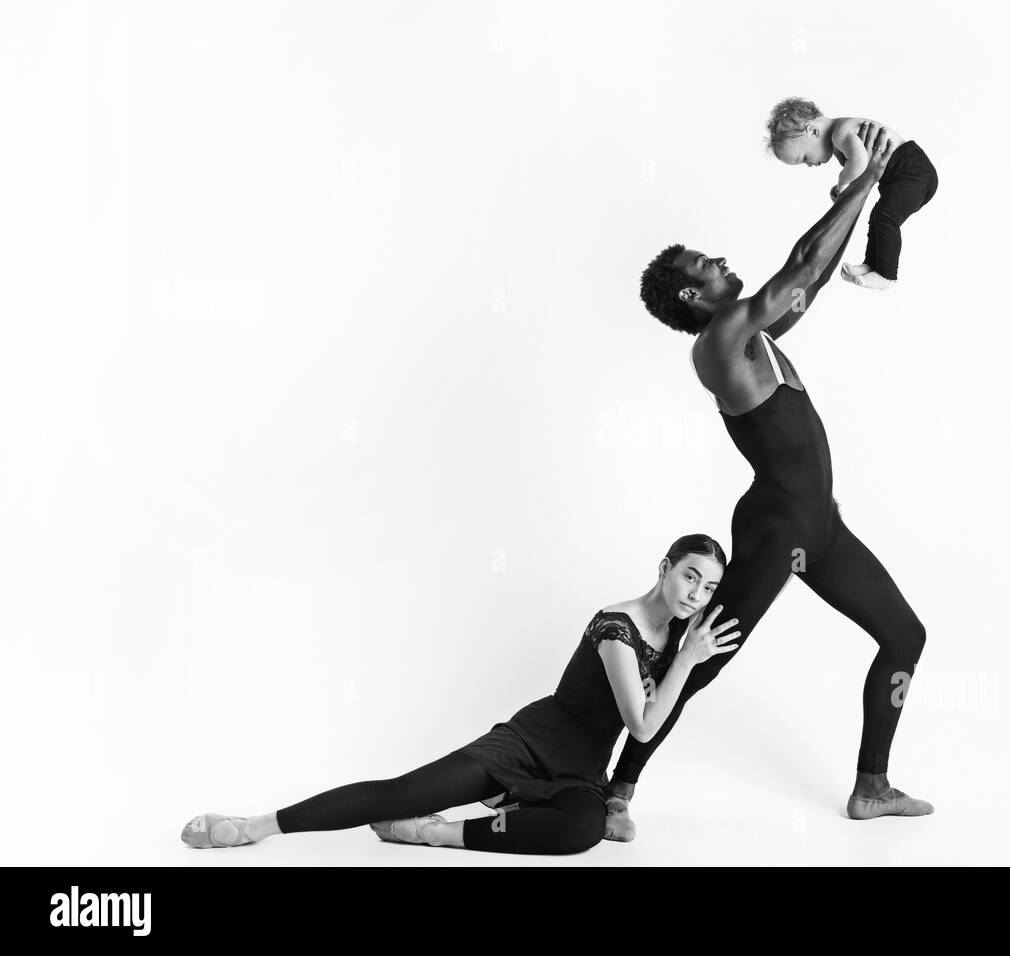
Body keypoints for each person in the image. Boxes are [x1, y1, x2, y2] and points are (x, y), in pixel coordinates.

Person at [604, 126, 932, 842]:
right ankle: (617, 790)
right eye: (709, 264)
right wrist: (866, 178)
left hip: (821, 527)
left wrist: (855, 194)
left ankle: (871, 787)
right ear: (694, 293)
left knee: (905, 634)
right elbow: (800, 260)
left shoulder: (759, 336)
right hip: (776, 530)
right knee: (706, 662)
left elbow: (810, 275)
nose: (723, 262)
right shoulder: (718, 345)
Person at [180, 535, 739, 855]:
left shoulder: (676, 636)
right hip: (526, 745)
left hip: (581, 773)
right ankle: (253, 826)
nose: (697, 593)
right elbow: (642, 725)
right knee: (399, 792)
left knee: (580, 831)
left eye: (709, 586)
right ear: (665, 567)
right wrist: (687, 663)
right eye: (690, 576)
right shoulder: (618, 628)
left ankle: (438, 833)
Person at [765, 97, 939, 291]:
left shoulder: (840, 133)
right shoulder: (841, 132)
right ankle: (872, 264)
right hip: (905, 174)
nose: (810, 165)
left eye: (804, 158)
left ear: (813, 131)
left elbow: (860, 161)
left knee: (885, 217)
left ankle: (887, 275)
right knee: (877, 217)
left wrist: (842, 182)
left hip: (914, 172)